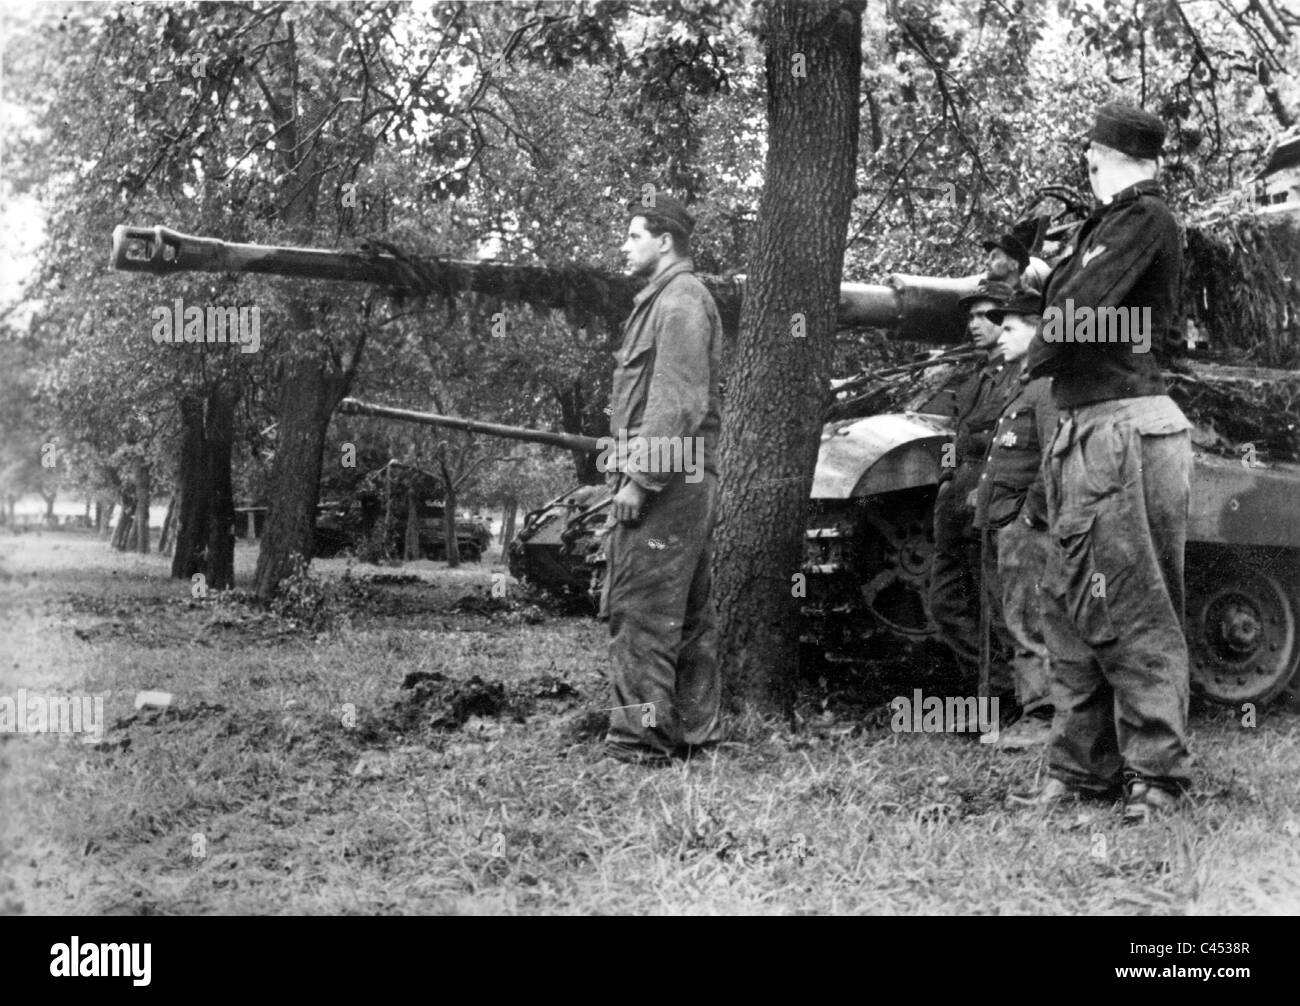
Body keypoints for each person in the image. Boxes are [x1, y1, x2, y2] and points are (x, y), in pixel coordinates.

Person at [1016, 102, 1193, 822]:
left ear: (1098, 154)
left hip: (1119, 421)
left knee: (1130, 601)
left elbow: (1073, 315)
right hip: (1089, 421)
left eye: (1087, 153)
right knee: (1071, 604)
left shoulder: (1143, 217)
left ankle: (1156, 778)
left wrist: (1047, 312)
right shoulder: (1118, 222)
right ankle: (1084, 768)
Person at [600, 192, 725, 765]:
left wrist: (638, 481)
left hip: (669, 480)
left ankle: (638, 743)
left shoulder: (678, 302)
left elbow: (676, 403)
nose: (624, 246)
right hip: (683, 475)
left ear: (665, 241)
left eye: (633, 235)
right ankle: (694, 738)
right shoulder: (666, 299)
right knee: (690, 615)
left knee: (643, 608)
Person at [973, 289, 1058, 749]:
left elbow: (1052, 457)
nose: (1000, 336)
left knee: (1030, 619)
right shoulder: (1020, 384)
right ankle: (1026, 709)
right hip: (1003, 520)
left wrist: (1031, 517)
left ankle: (1043, 717)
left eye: (1009, 328)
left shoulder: (1046, 388)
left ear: (1039, 330)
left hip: (1025, 527)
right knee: (1012, 617)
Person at [929, 279, 1019, 692]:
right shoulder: (972, 381)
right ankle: (993, 684)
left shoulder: (1021, 378)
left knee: (996, 604)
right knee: (946, 603)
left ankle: (1000, 694)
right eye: (972, 316)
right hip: (957, 502)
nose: (976, 324)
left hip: (993, 499)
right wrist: (947, 480)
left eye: (987, 316)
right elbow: (955, 437)